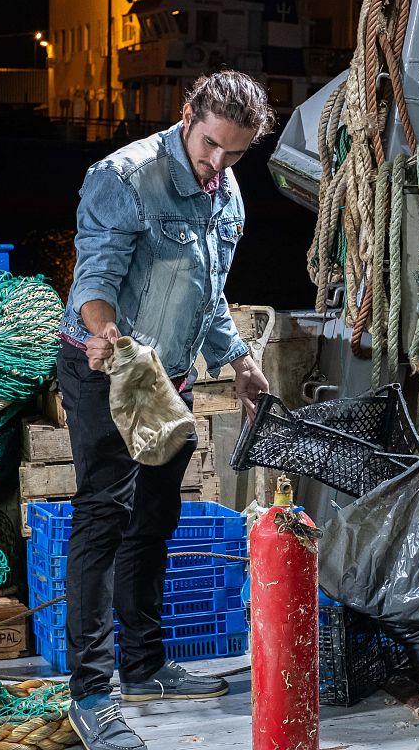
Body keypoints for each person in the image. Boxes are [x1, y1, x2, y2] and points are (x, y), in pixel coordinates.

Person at [57, 70, 276, 750]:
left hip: (172, 376)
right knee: (104, 514)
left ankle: (145, 664)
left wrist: (240, 359)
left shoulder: (227, 194)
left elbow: (209, 298)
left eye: (235, 153)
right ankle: (92, 695)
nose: (218, 164)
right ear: (187, 116)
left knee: (156, 515)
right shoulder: (122, 177)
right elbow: (94, 276)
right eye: (211, 145)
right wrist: (103, 333)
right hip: (109, 367)